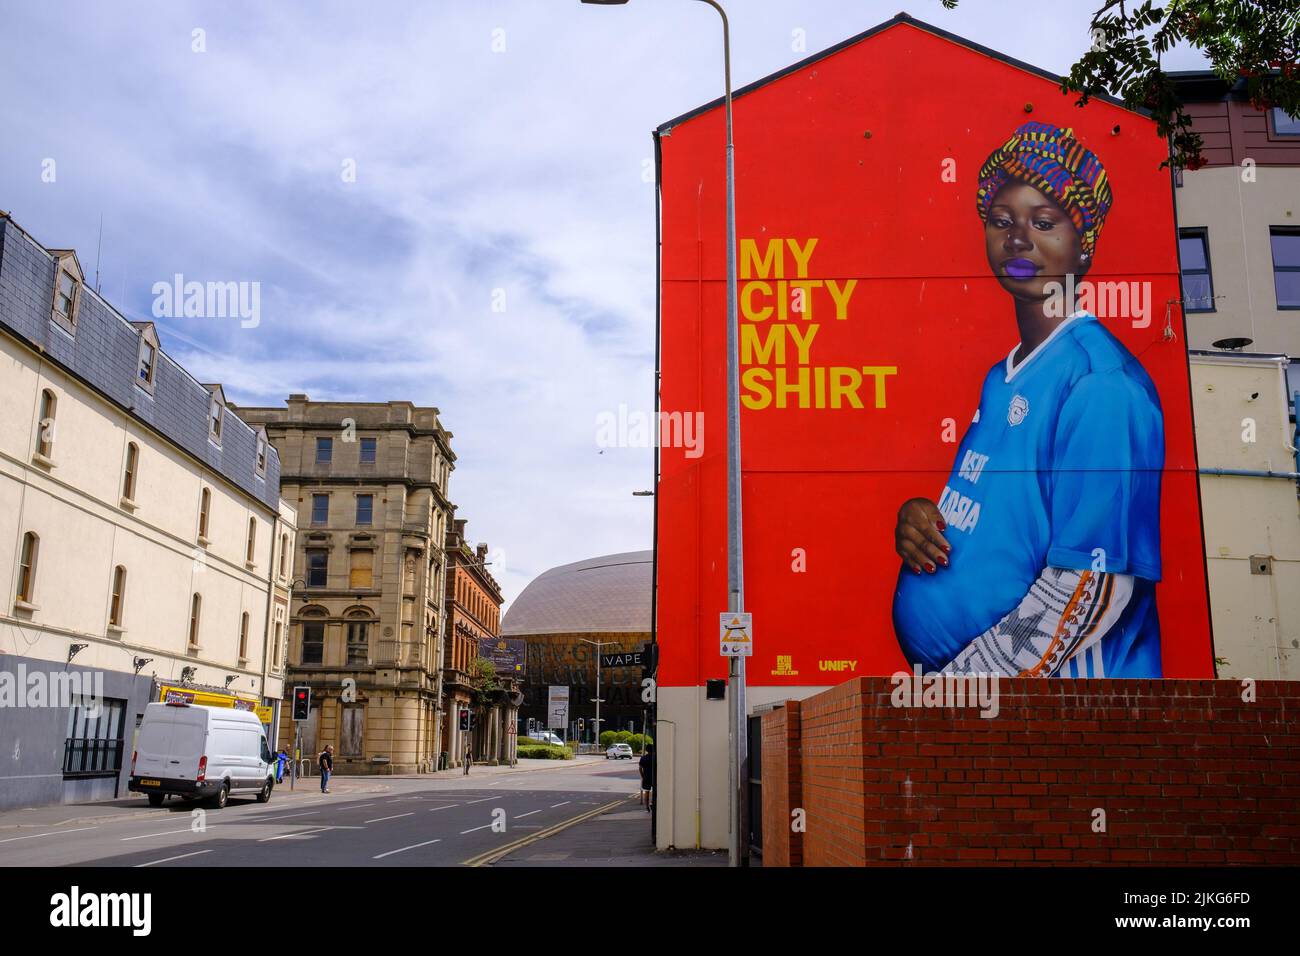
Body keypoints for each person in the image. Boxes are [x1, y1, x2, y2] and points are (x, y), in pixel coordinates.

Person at [892, 121, 1164, 679]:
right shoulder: (1002, 378)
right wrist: (922, 522)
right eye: (1001, 221)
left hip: (1057, 715)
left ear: (1083, 245)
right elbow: (1001, 522)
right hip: (986, 715)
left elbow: (1091, 582)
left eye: (1043, 222)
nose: (1018, 239)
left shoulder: (1100, 382)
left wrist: (962, 687)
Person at [638, 744, 654, 812]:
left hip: (646, 777)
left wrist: (642, 776)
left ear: (646, 750)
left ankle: (647, 806)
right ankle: (652, 803)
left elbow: (640, 768)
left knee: (646, 792)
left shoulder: (643, 758)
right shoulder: (655, 757)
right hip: (654, 777)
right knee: (654, 791)